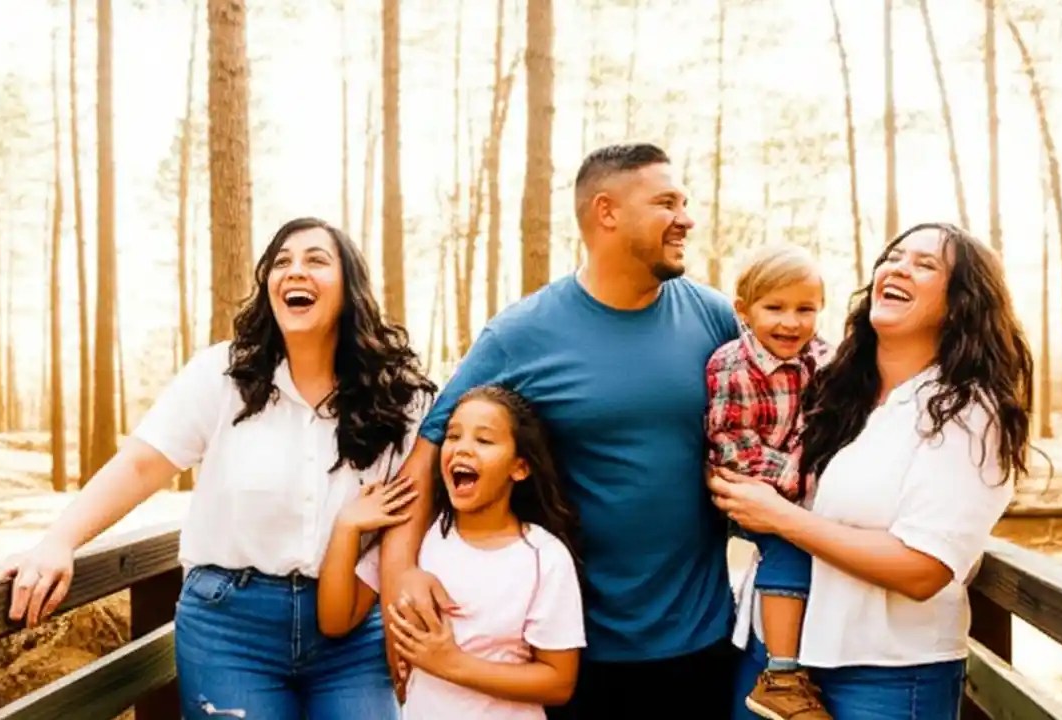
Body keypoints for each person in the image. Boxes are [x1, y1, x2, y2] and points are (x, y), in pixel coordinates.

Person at [0, 217, 436, 719]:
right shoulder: (221, 376)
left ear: (350, 286)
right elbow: (141, 465)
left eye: (316, 260)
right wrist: (59, 540)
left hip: (354, 627)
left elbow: (418, 514)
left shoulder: (403, 397)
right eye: (282, 262)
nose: (295, 271)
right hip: (232, 629)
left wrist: (407, 616)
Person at [379, 143, 744, 717]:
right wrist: (400, 576)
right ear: (607, 212)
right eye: (666, 203)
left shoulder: (714, 317)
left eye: (685, 202)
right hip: (575, 648)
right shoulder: (520, 334)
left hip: (699, 642)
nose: (686, 219)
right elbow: (428, 454)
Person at [710, 223, 1033, 720]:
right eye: (895, 256)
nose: (899, 267)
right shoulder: (833, 383)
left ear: (962, 302)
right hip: (769, 663)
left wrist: (777, 515)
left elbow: (924, 569)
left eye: (925, 264)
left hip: (883, 674)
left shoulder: (968, 412)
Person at [318, 385, 586, 718]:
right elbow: (335, 619)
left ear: (519, 467)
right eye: (453, 436)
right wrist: (347, 526)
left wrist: (453, 664)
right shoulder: (416, 541)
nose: (462, 449)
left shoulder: (544, 556)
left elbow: (558, 681)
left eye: (484, 440)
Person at [703, 243, 832, 720]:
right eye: (774, 308)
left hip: (795, 484)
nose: (790, 322)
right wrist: (796, 483)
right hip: (745, 483)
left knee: (814, 542)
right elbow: (732, 443)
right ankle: (781, 675)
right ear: (744, 311)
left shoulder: (819, 356)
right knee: (790, 544)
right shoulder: (732, 366)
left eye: (805, 309)